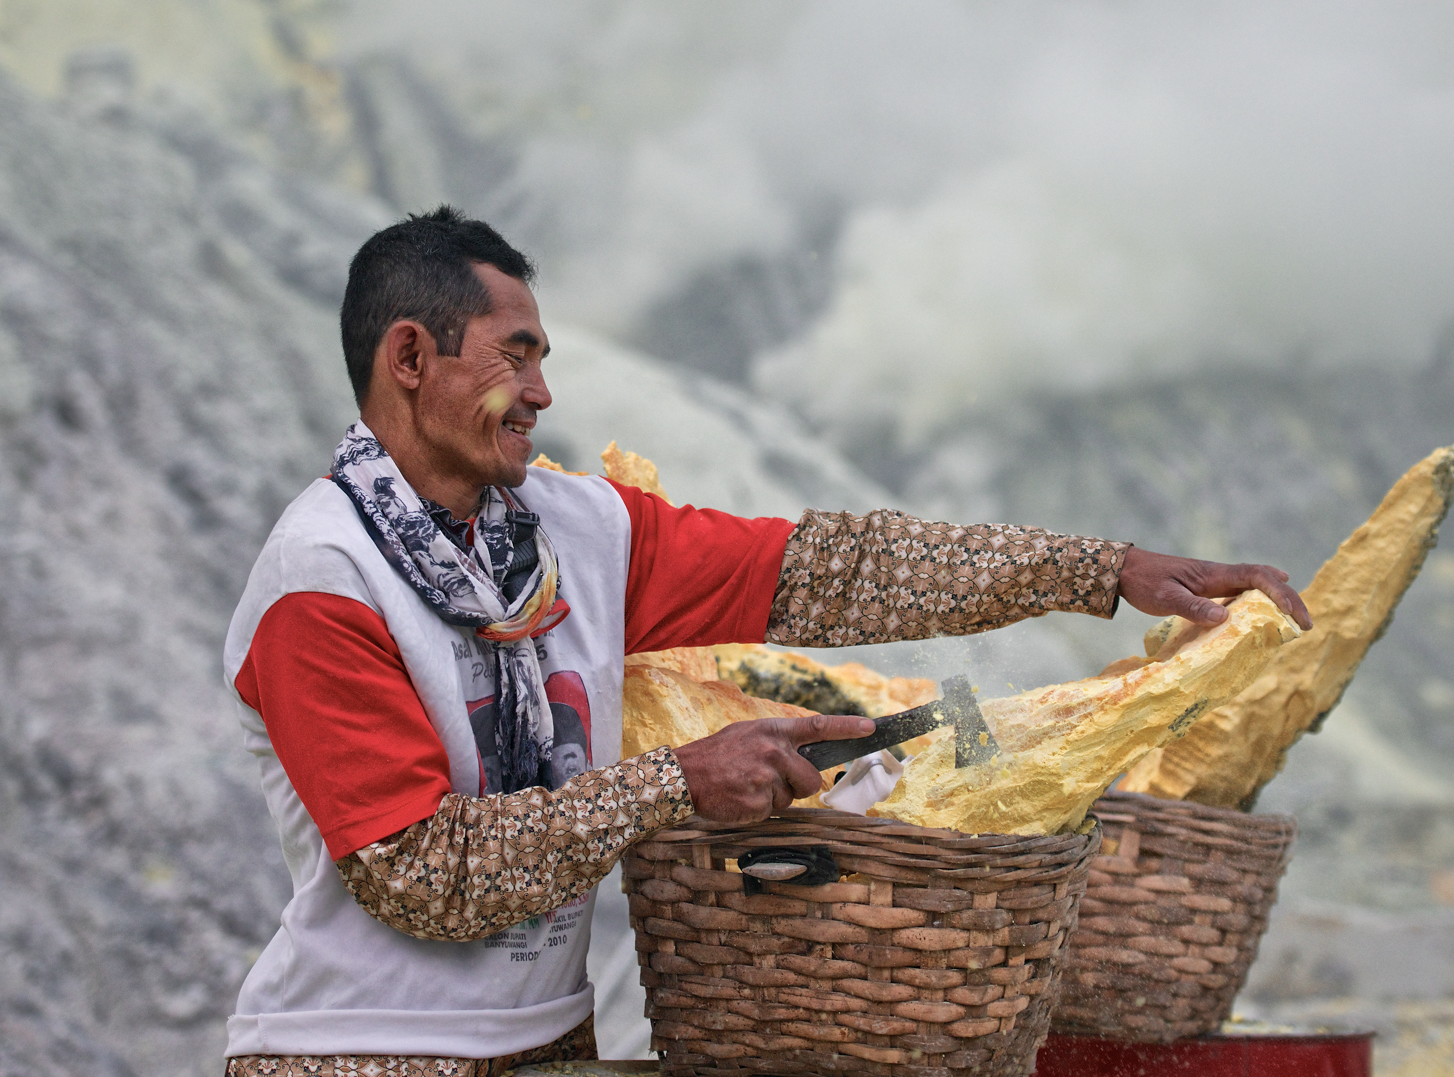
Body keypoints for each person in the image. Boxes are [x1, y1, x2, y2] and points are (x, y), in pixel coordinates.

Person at [222, 206, 1311, 1075]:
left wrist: (1101, 572)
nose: (542, 393)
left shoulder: (578, 535)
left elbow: (834, 568)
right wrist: (676, 783)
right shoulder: (323, 582)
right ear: (410, 358)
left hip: (547, 1041)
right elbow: (429, 877)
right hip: (359, 1054)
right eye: (517, 355)